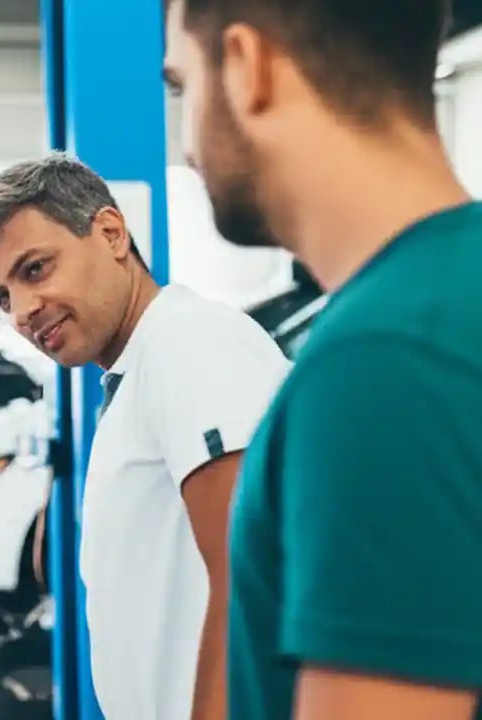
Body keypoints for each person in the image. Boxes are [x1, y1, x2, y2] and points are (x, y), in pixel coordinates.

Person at [163, 1, 482, 718]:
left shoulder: (384, 361)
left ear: (247, 66)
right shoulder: (448, 302)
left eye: (183, 88)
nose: (185, 144)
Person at [0, 154, 290, 720]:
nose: (24, 312)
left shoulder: (190, 342)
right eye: (2, 298)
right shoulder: (140, 369)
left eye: (35, 269)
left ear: (110, 233)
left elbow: (253, 577)